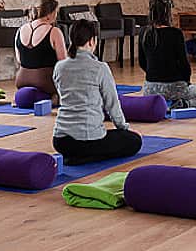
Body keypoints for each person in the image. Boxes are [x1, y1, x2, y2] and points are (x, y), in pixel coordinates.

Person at [52, 20, 142, 165]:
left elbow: (63, 95)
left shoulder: (59, 67)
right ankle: (86, 158)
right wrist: (124, 129)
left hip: (60, 140)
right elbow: (112, 104)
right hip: (87, 139)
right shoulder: (99, 68)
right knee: (134, 141)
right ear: (92, 41)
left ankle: (76, 156)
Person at [139, 0, 196, 109]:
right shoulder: (175, 33)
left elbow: (142, 62)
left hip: (150, 89)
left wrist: (154, 75)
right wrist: (186, 82)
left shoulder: (144, 32)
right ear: (168, 12)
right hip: (175, 87)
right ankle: (184, 104)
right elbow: (184, 64)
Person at [15, 0, 66, 100]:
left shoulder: (20, 29)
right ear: (49, 14)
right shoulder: (54, 31)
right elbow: (63, 61)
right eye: (56, 12)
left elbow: (19, 59)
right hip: (45, 82)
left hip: (21, 80)